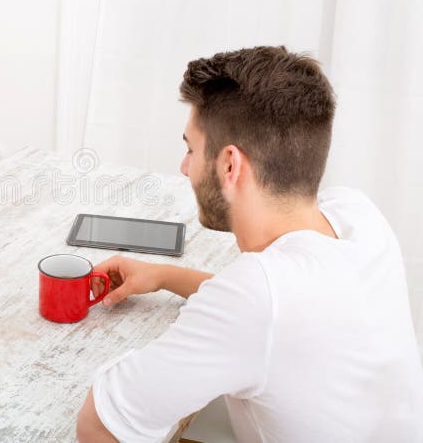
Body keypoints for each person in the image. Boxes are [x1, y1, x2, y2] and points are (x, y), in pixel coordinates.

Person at [76, 46, 423, 441]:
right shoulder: (358, 215)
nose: (184, 167)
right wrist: (162, 275)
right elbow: (276, 314)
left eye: (191, 148)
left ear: (229, 165)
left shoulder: (258, 296)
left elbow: (100, 423)